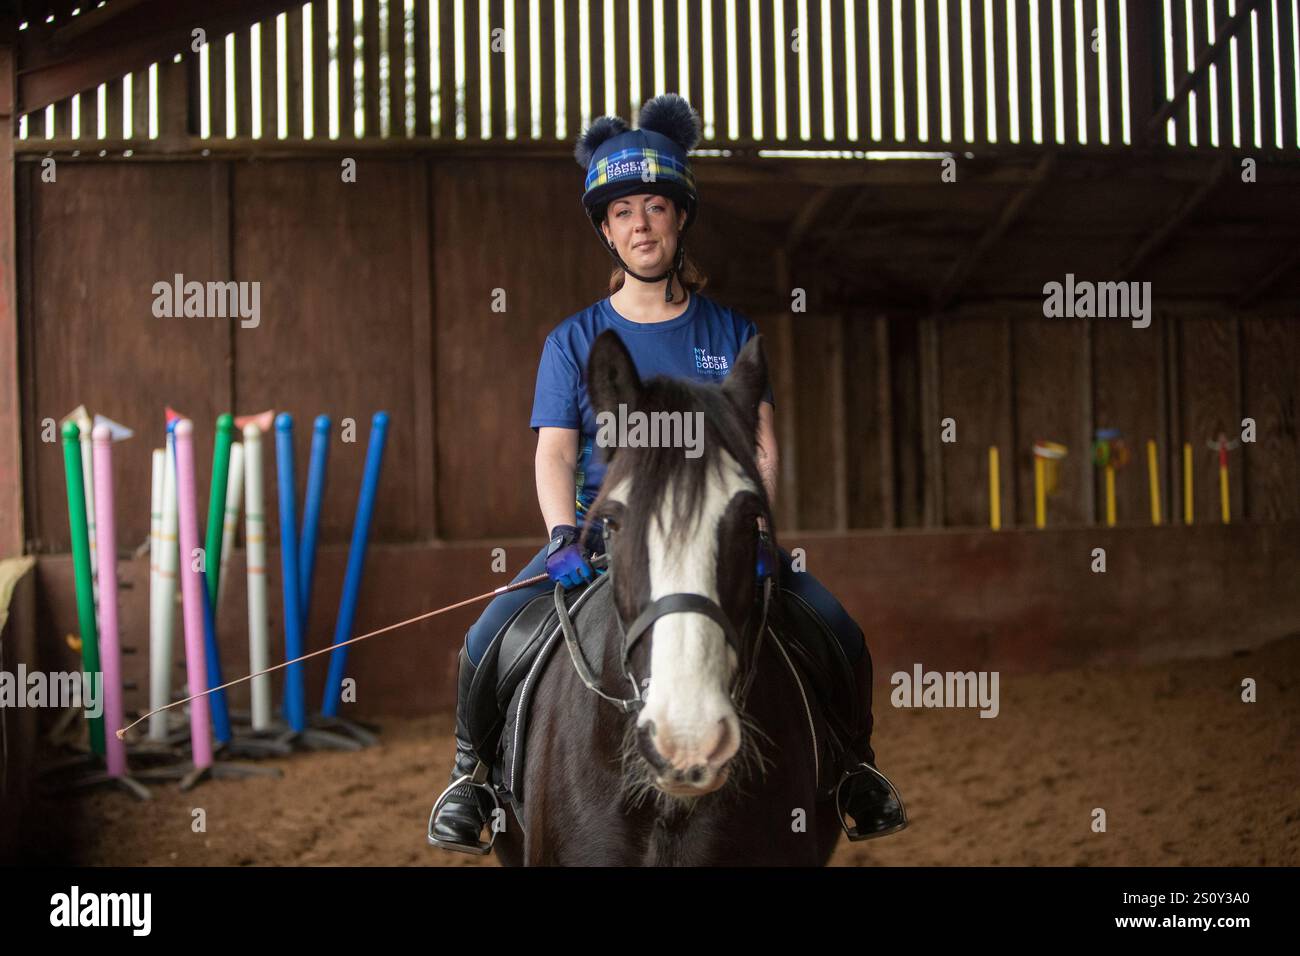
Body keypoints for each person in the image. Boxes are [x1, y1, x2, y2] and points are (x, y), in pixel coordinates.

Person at [429, 93, 905, 853]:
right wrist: (561, 532)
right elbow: (554, 450)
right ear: (607, 232)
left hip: (716, 536)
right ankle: (471, 777)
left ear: (680, 218)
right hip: (605, 538)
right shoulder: (574, 339)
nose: (640, 224)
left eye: (654, 207)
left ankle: (856, 770)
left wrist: (754, 532)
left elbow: (764, 447)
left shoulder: (729, 332)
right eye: (622, 213)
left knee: (837, 632)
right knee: (487, 637)